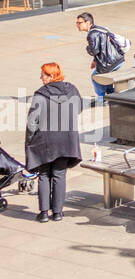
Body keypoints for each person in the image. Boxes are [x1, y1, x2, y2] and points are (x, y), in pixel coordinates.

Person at [25, 62, 82, 223]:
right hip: (66, 140)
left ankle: (43, 213)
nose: (40, 77)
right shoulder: (72, 90)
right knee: (59, 175)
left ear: (51, 76)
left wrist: (30, 141)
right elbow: (78, 109)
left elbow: (31, 123)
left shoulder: (40, 95)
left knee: (43, 174)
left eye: (43, 74)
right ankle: (57, 213)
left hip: (45, 141)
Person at [78, 12, 127, 105]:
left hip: (109, 63)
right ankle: (111, 95)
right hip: (118, 59)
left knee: (95, 78)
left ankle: (102, 99)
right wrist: (95, 61)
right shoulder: (100, 29)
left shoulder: (92, 35)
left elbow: (94, 51)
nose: (77, 25)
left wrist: (87, 48)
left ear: (88, 23)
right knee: (105, 77)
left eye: (79, 23)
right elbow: (102, 49)